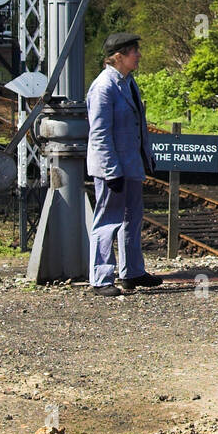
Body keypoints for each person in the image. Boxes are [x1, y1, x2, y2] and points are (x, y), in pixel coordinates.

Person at [86, 32, 162, 296]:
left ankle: (132, 272)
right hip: (113, 168)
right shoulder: (103, 87)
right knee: (107, 220)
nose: (138, 55)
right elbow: (99, 133)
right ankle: (101, 278)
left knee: (132, 218)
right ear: (118, 56)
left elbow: (139, 124)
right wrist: (110, 171)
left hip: (130, 164)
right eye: (134, 51)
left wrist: (146, 156)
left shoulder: (128, 83)